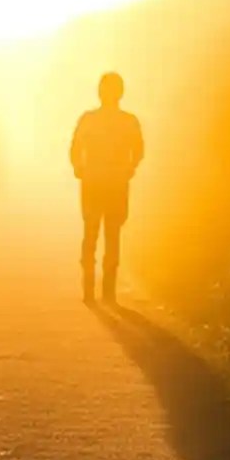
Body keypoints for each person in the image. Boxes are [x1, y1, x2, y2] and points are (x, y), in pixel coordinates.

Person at [70, 72, 143, 303]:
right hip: (112, 184)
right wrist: (130, 167)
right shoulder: (128, 121)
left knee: (94, 234)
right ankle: (105, 292)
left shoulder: (90, 119)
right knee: (110, 236)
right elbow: (139, 150)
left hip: (97, 183)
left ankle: (92, 290)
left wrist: (79, 167)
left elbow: (74, 148)